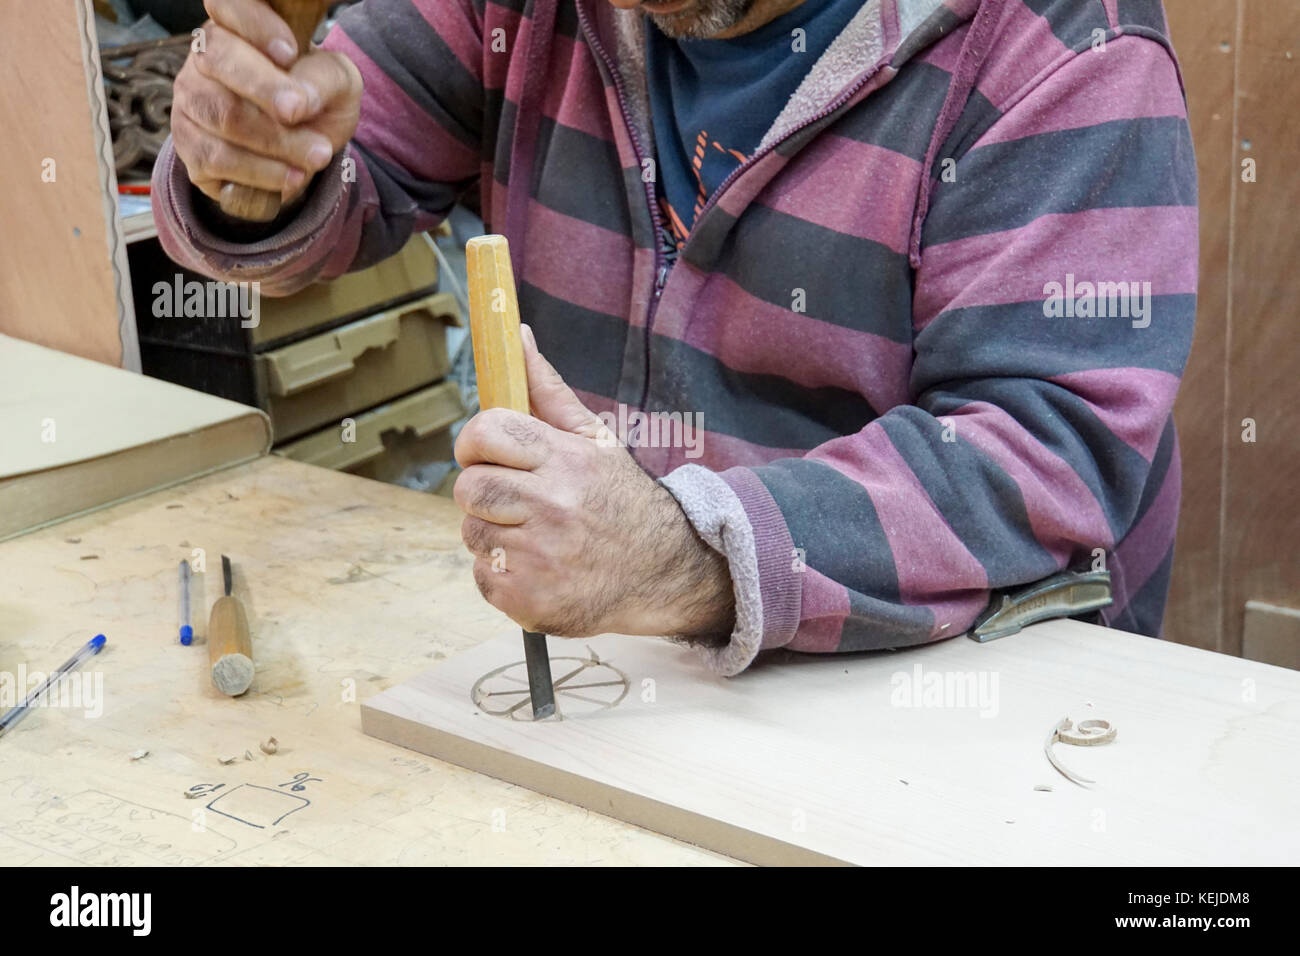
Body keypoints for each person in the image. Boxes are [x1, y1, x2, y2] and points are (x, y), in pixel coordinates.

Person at [155, 0, 1198, 675]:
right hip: (639, 665)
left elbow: (1046, 449)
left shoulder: (1064, 48)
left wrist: (685, 549)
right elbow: (346, 170)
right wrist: (254, 169)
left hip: (952, 696)